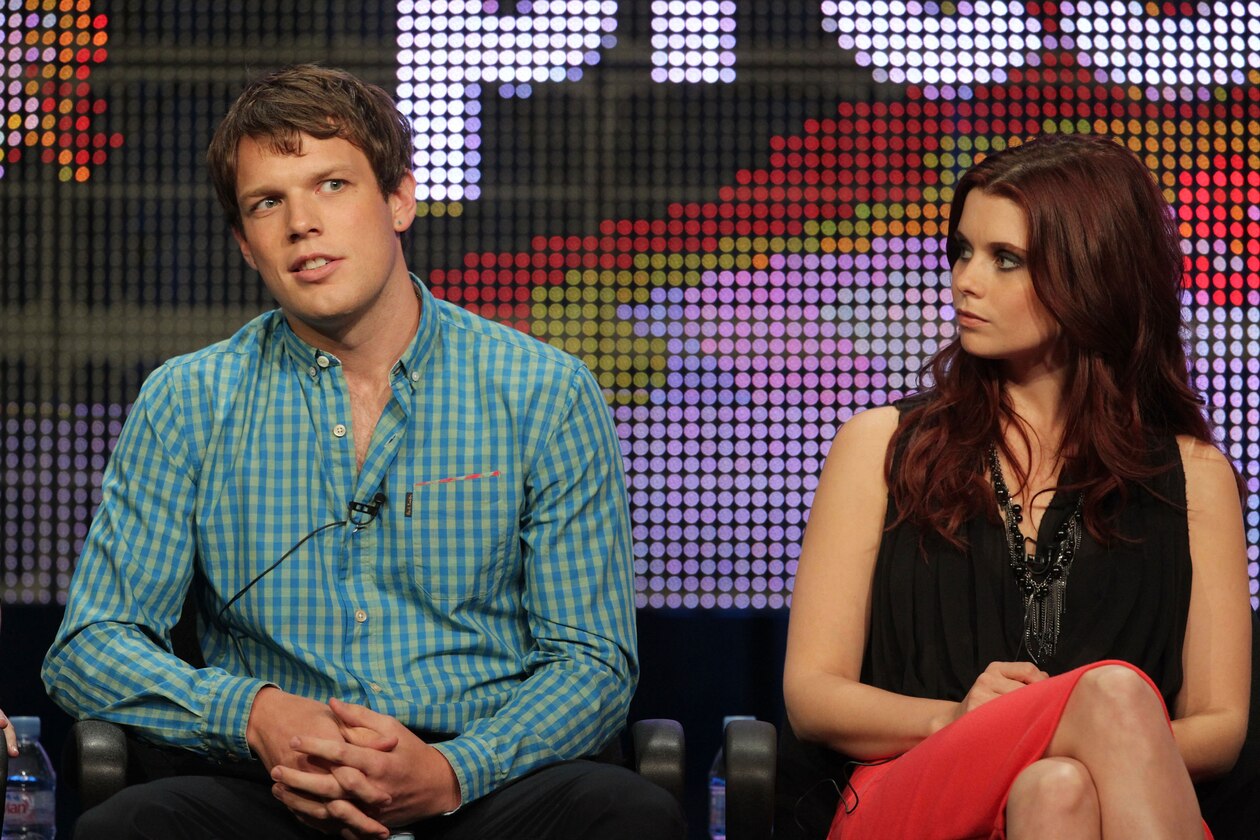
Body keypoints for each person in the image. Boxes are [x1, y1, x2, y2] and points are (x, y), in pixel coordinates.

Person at [42, 64, 683, 840]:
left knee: (625, 815)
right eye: (267, 203)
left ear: (400, 199)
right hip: (270, 784)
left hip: (483, 785)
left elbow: (592, 664)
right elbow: (91, 647)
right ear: (246, 245)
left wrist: (450, 772)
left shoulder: (543, 391)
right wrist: (252, 713)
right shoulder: (189, 400)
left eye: (332, 185)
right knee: (131, 828)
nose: (301, 223)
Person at [781, 133, 1252, 839]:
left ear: (1092, 272)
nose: (965, 281)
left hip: (1096, 801)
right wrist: (966, 721)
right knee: (1111, 696)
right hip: (912, 787)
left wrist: (1074, 743)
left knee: (1058, 788)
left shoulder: (1194, 475)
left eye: (1005, 259)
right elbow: (813, 696)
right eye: (962, 251)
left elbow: (1220, 728)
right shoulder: (879, 445)